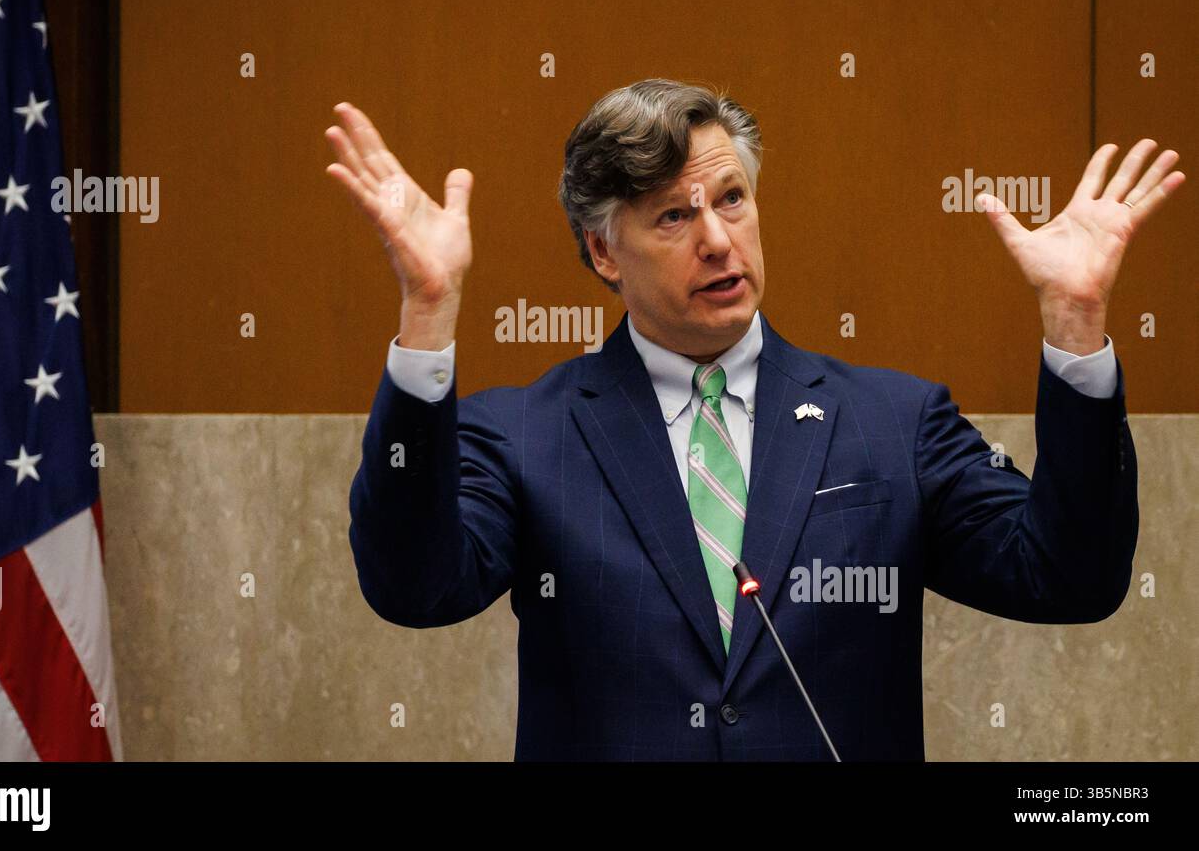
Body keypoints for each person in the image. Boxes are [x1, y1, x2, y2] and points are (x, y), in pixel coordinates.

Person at [325, 78, 1184, 760]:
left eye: (730, 199)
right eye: (673, 215)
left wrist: (1076, 324)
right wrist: (427, 315)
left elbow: (1069, 579)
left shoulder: (893, 421)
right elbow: (414, 588)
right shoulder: (524, 434)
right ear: (602, 253)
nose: (717, 240)